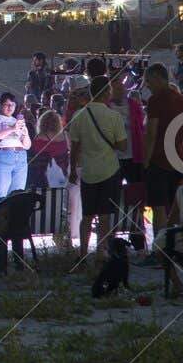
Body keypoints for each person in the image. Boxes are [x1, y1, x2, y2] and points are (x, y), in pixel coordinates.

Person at [67, 75, 127, 257]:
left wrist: (72, 171)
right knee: (105, 216)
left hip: (88, 172)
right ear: (107, 93)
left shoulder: (79, 116)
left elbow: (74, 148)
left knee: (87, 216)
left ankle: (83, 254)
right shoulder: (114, 116)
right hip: (109, 170)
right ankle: (101, 254)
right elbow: (123, 146)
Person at [141, 62, 183, 239]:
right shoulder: (182, 99)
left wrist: (146, 162)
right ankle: (174, 244)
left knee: (158, 207)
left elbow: (151, 133)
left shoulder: (156, 100)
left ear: (157, 78)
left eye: (148, 81)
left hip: (159, 161)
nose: (147, 85)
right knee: (175, 207)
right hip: (178, 160)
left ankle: (159, 247)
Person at [0, 91, 31, 205]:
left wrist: (25, 133)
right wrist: (12, 129)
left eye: (12, 105)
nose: (10, 107)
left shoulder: (16, 121)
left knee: (17, 194)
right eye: (6, 104)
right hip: (2, 155)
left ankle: (12, 221)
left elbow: (27, 145)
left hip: (21, 156)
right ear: (1, 105)